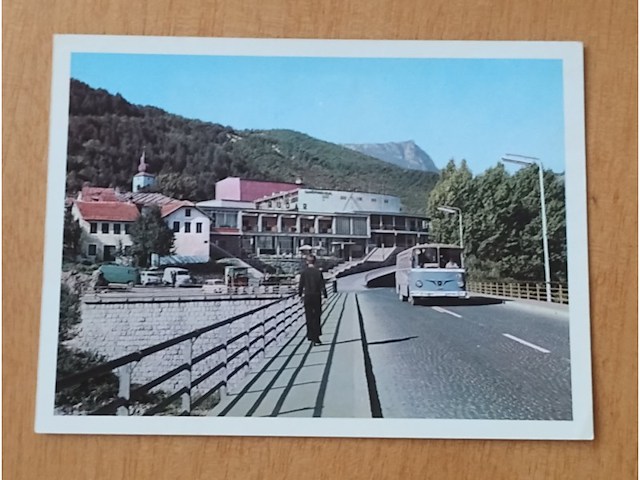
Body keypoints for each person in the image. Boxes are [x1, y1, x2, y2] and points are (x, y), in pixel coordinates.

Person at [298, 255, 327, 346]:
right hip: (316, 296)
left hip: (307, 296)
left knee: (309, 316)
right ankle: (316, 336)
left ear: (307, 262)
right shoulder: (318, 272)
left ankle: (310, 335)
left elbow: (301, 285)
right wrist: (325, 296)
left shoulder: (304, 272)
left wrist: (300, 295)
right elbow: (322, 285)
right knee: (317, 316)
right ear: (315, 262)